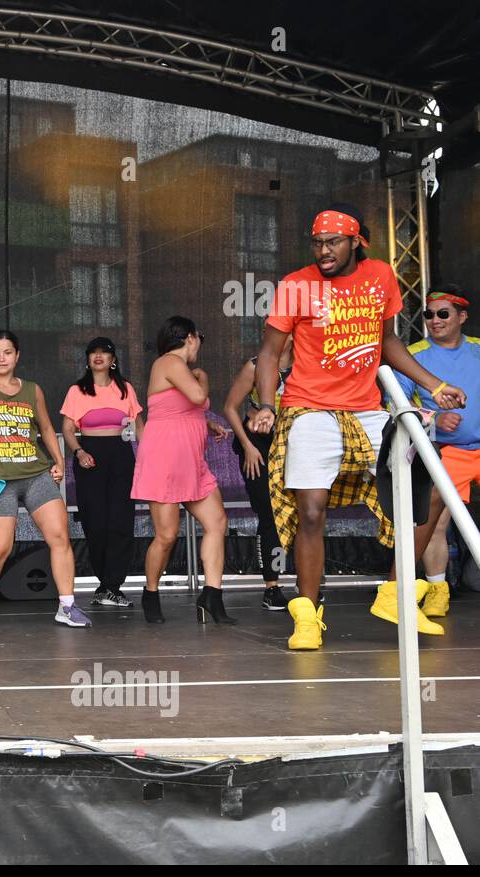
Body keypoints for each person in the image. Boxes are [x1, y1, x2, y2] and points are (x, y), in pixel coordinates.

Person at [253, 204, 466, 650]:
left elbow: (387, 342)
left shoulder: (381, 277)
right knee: (311, 511)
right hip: (309, 409)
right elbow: (270, 353)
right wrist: (266, 405)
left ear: (355, 243)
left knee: (427, 491)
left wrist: (434, 383)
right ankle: (308, 616)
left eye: (332, 242)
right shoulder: (296, 285)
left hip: (368, 410)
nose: (323, 251)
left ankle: (395, 595)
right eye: (317, 242)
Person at [0, 331, 91, 628]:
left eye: (7, 352)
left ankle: (67, 605)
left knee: (60, 538)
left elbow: (47, 429)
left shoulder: (32, 390)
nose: (1, 358)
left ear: (17, 355)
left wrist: (59, 462)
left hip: (36, 474)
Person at [131, 316, 234, 625]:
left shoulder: (177, 370)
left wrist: (207, 422)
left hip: (192, 461)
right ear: (191, 337)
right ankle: (150, 593)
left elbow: (177, 409)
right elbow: (198, 396)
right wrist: (202, 376)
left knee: (217, 522)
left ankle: (211, 596)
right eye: (199, 338)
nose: (199, 346)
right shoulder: (170, 362)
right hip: (165, 460)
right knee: (166, 535)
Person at [390, 284, 480, 621]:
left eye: (443, 314)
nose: (435, 320)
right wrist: (437, 417)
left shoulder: (478, 350)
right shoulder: (412, 356)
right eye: (429, 315)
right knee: (435, 522)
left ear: (462, 316)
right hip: (446, 450)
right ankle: (438, 591)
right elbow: (395, 407)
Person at [60, 337, 144, 608]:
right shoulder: (77, 390)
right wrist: (79, 452)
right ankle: (104, 583)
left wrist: (148, 456)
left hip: (120, 453)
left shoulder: (125, 388)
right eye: (93, 353)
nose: (98, 357)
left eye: (104, 353)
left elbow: (139, 425)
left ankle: (113, 586)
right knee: (95, 522)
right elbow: (69, 429)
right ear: (87, 359)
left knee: (121, 520)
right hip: (90, 455)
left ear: (112, 359)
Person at [222, 340, 294, 611]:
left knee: (302, 509)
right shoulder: (255, 365)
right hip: (257, 445)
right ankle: (272, 587)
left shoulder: (304, 364)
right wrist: (248, 446)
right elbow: (230, 407)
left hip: (291, 442)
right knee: (269, 512)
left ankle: (308, 583)